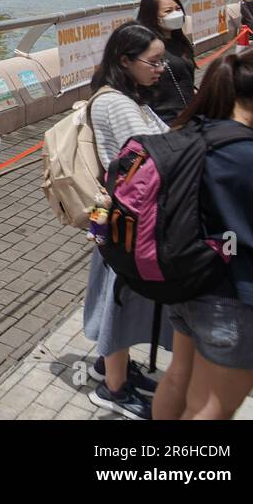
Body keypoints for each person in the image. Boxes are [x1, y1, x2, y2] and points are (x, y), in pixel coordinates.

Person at [151, 50, 253, 419]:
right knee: (213, 407)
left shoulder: (192, 131)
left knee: (179, 377)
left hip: (188, 282)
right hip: (235, 295)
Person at [82, 22, 174, 419]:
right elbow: (154, 157)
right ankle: (112, 389)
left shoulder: (126, 96)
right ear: (125, 60)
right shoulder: (117, 103)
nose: (160, 69)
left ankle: (110, 367)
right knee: (119, 301)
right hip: (129, 223)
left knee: (116, 297)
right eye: (152, 62)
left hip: (124, 219)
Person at [134, 0, 196, 124]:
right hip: (162, 119)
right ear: (152, 15)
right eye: (168, 11)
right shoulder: (144, 46)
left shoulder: (181, 42)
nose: (176, 14)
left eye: (178, 9)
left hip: (189, 115)